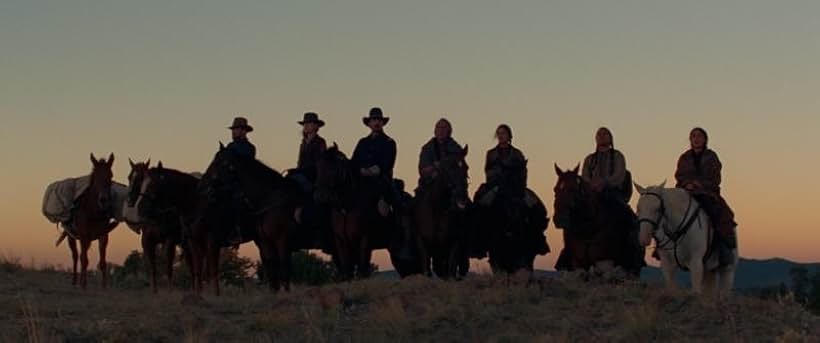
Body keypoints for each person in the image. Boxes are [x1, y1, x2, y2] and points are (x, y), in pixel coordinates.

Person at [675, 127, 737, 265]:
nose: (696, 139)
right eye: (693, 136)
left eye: (699, 136)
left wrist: (698, 184)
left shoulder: (711, 157)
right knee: (667, 211)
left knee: (720, 215)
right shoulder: (684, 158)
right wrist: (687, 184)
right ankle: (665, 249)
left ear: (705, 139)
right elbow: (679, 176)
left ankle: (723, 248)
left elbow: (715, 177)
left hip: (707, 192)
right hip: (686, 192)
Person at [352, 107, 399, 216]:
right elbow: (354, 160)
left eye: (379, 120)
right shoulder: (362, 142)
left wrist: (373, 170)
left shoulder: (389, 142)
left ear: (382, 123)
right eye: (373, 120)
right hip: (361, 181)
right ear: (369, 124)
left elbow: (388, 163)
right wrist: (359, 170)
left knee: (391, 207)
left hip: (381, 182)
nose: (376, 122)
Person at [476, 124, 527, 206]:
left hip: (515, 187)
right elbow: (487, 170)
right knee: (479, 201)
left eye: (503, 133)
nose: (501, 136)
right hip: (495, 186)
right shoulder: (491, 154)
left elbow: (523, 172)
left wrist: (516, 181)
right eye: (499, 133)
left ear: (509, 136)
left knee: (534, 205)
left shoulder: (517, 154)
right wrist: (498, 175)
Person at [225, 116, 256, 245]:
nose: (234, 132)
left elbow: (246, 167)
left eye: (236, 129)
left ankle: (237, 230)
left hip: (241, 182)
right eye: (233, 129)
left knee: (237, 200)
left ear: (244, 131)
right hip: (227, 180)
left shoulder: (249, 148)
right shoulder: (230, 146)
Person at [581, 127, 631, 203]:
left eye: (605, 134)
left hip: (614, 194)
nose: (602, 136)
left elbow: (619, 174)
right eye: (599, 134)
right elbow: (584, 176)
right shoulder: (589, 159)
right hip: (591, 194)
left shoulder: (618, 156)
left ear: (610, 138)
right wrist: (591, 185)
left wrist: (604, 183)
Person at [417, 118, 464, 190]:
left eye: (444, 128)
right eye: (439, 128)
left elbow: (461, 167)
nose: (441, 130)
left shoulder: (456, 148)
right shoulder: (427, 148)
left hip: (452, 184)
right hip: (430, 184)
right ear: (435, 131)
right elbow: (423, 170)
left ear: (449, 131)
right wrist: (436, 167)